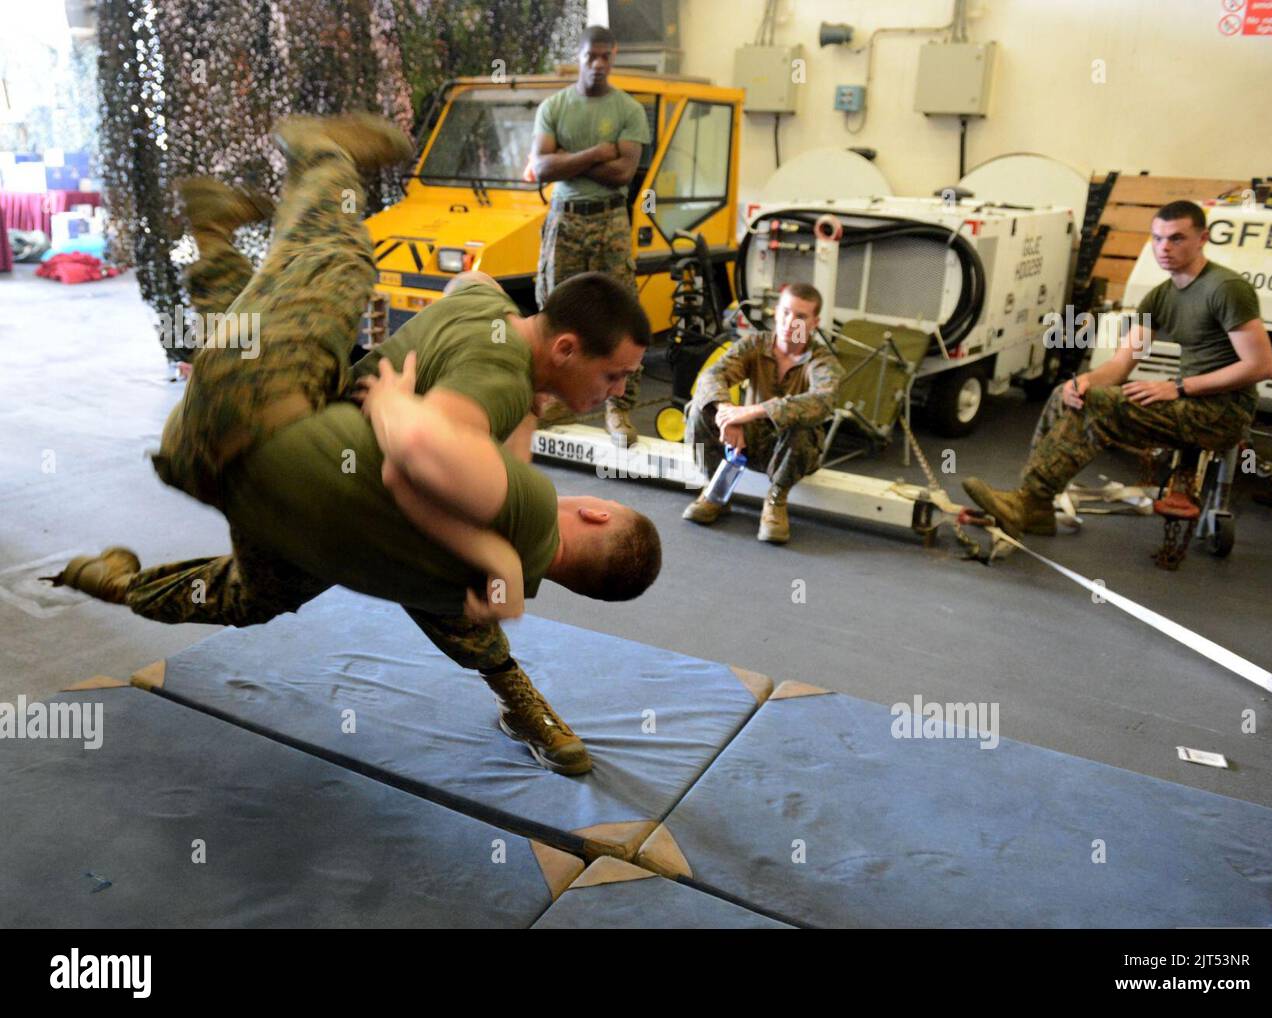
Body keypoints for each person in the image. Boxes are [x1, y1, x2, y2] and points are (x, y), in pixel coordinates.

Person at [52, 115, 661, 776]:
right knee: (337, 263)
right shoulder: (496, 393)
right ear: (569, 348)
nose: (618, 391)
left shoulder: (492, 323)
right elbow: (429, 461)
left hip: (252, 420)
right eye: (614, 376)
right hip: (245, 424)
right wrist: (419, 414)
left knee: (274, 577)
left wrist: (513, 414)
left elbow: (470, 289)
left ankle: (213, 229)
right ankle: (322, 151)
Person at [963, 200, 1272, 538]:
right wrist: (1082, 380)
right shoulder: (1159, 297)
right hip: (1189, 403)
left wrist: (1179, 387)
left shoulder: (1226, 289)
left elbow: (1260, 366)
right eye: (1157, 239)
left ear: (1202, 239)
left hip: (1223, 412)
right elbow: (1121, 364)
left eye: (1176, 238)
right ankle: (1035, 506)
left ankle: (1029, 502)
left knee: (1099, 405)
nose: (1164, 248)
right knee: (1066, 396)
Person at [531, 23, 650, 447]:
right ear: (579, 57)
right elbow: (541, 169)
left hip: (610, 221)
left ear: (614, 57)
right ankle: (553, 396)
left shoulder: (629, 111)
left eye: (606, 57)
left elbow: (623, 173)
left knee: (623, 312)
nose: (598, 65)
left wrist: (567, 159)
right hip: (564, 219)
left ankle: (618, 411)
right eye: (591, 57)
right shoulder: (555, 107)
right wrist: (599, 153)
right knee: (556, 307)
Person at [681, 283, 843, 544]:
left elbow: (822, 401)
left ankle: (776, 500)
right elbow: (712, 376)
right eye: (786, 312)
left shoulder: (823, 361)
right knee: (699, 409)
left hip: (788, 449)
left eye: (801, 317)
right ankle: (717, 491)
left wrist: (752, 412)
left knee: (803, 425)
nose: (790, 322)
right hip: (743, 443)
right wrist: (727, 413)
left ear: (815, 322)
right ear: (776, 312)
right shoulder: (755, 345)